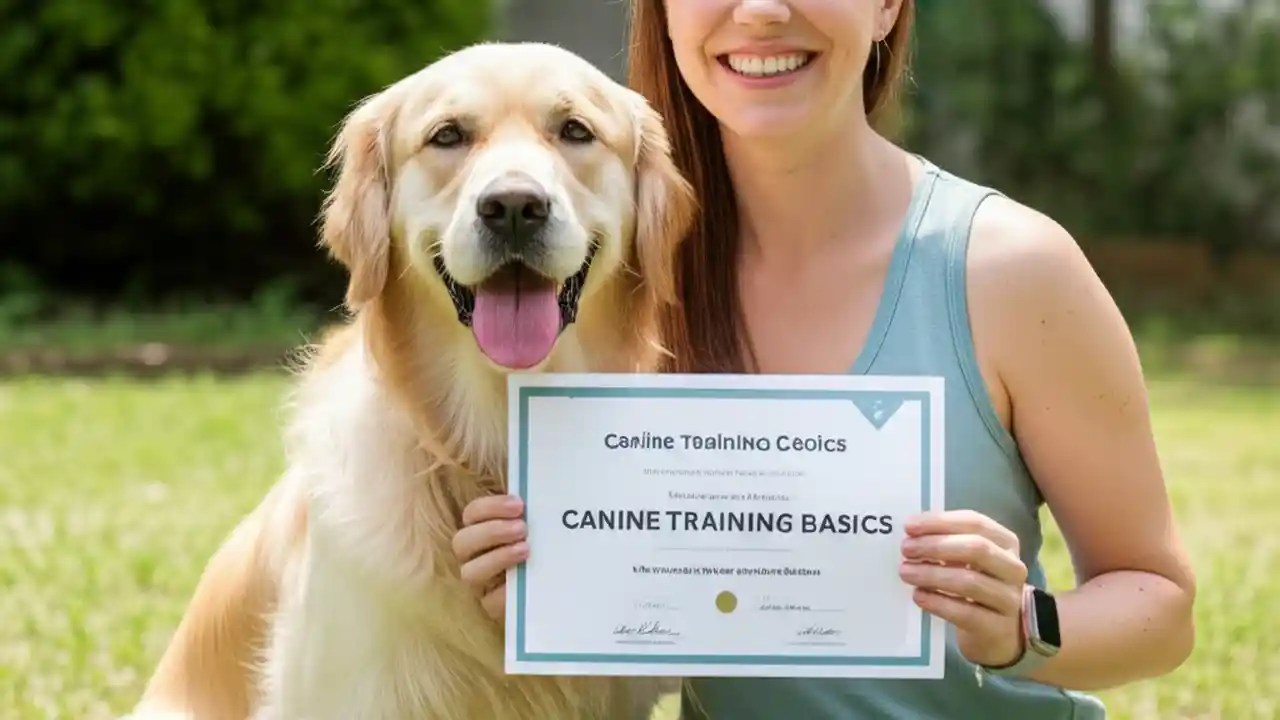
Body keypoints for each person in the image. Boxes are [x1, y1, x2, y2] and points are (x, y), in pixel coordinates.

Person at [450, 0, 1198, 716]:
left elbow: (1159, 604)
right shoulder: (611, 282)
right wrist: (548, 589)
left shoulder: (1011, 269)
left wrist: (1021, 628)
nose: (762, 10)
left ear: (886, 6)